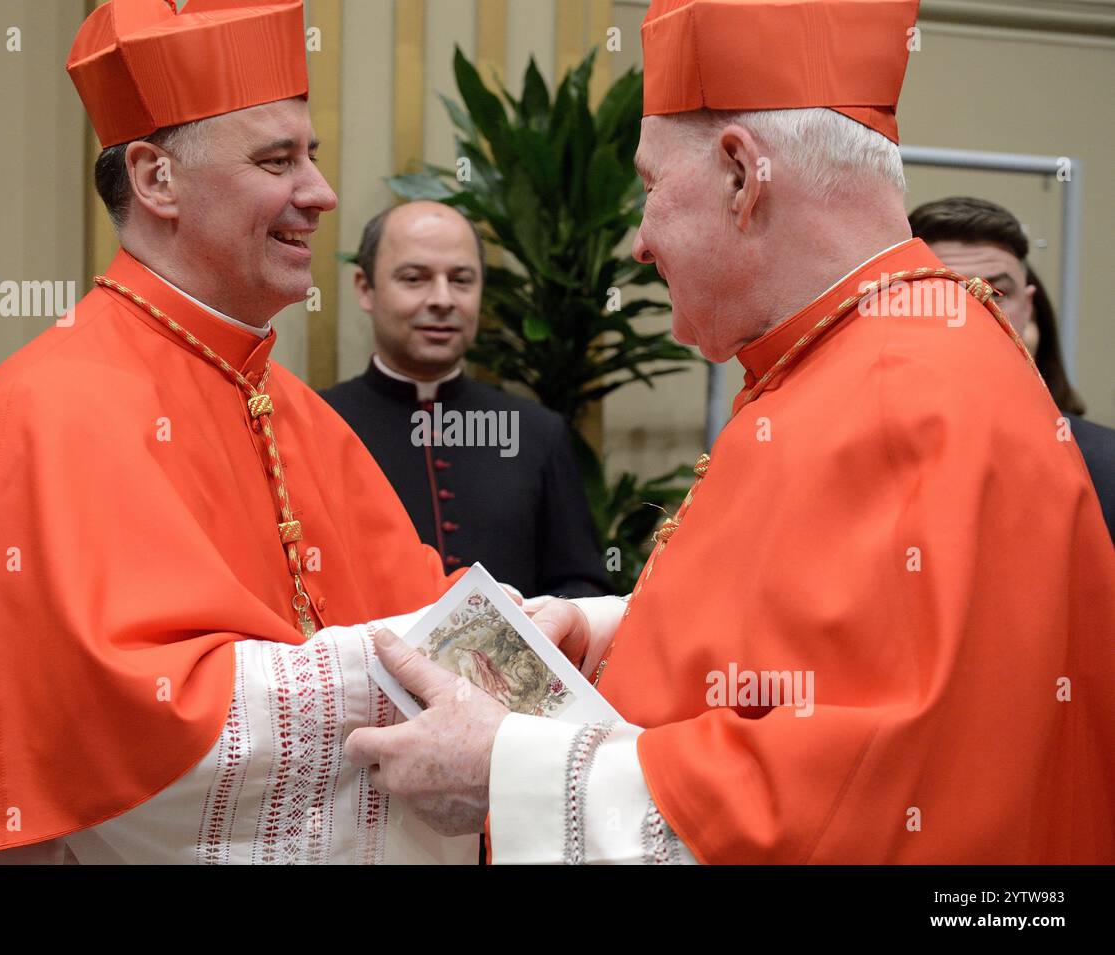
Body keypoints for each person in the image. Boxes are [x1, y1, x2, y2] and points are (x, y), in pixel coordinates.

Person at [346, 0, 1115, 864]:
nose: (638, 241)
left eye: (649, 187)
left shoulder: (904, 398)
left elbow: (854, 796)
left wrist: (503, 764)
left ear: (743, 176)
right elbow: (812, 648)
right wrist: (610, 634)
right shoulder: (865, 355)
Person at [0, 0, 477, 865]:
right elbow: (123, 740)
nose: (321, 193)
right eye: (276, 159)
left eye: (312, 156)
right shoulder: (46, 410)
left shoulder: (296, 410)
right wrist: (375, 679)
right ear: (155, 179)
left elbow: (422, 619)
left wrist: (569, 630)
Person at [321, 201, 610, 597]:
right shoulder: (317, 425)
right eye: (414, 278)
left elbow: (581, 585)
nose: (443, 299)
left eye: (461, 280)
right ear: (365, 289)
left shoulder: (537, 431)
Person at [908, 195, 1115, 540]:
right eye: (946, 291)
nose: (975, 312)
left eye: (997, 292)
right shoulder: (851, 459)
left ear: (1029, 308)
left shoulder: (1104, 467)